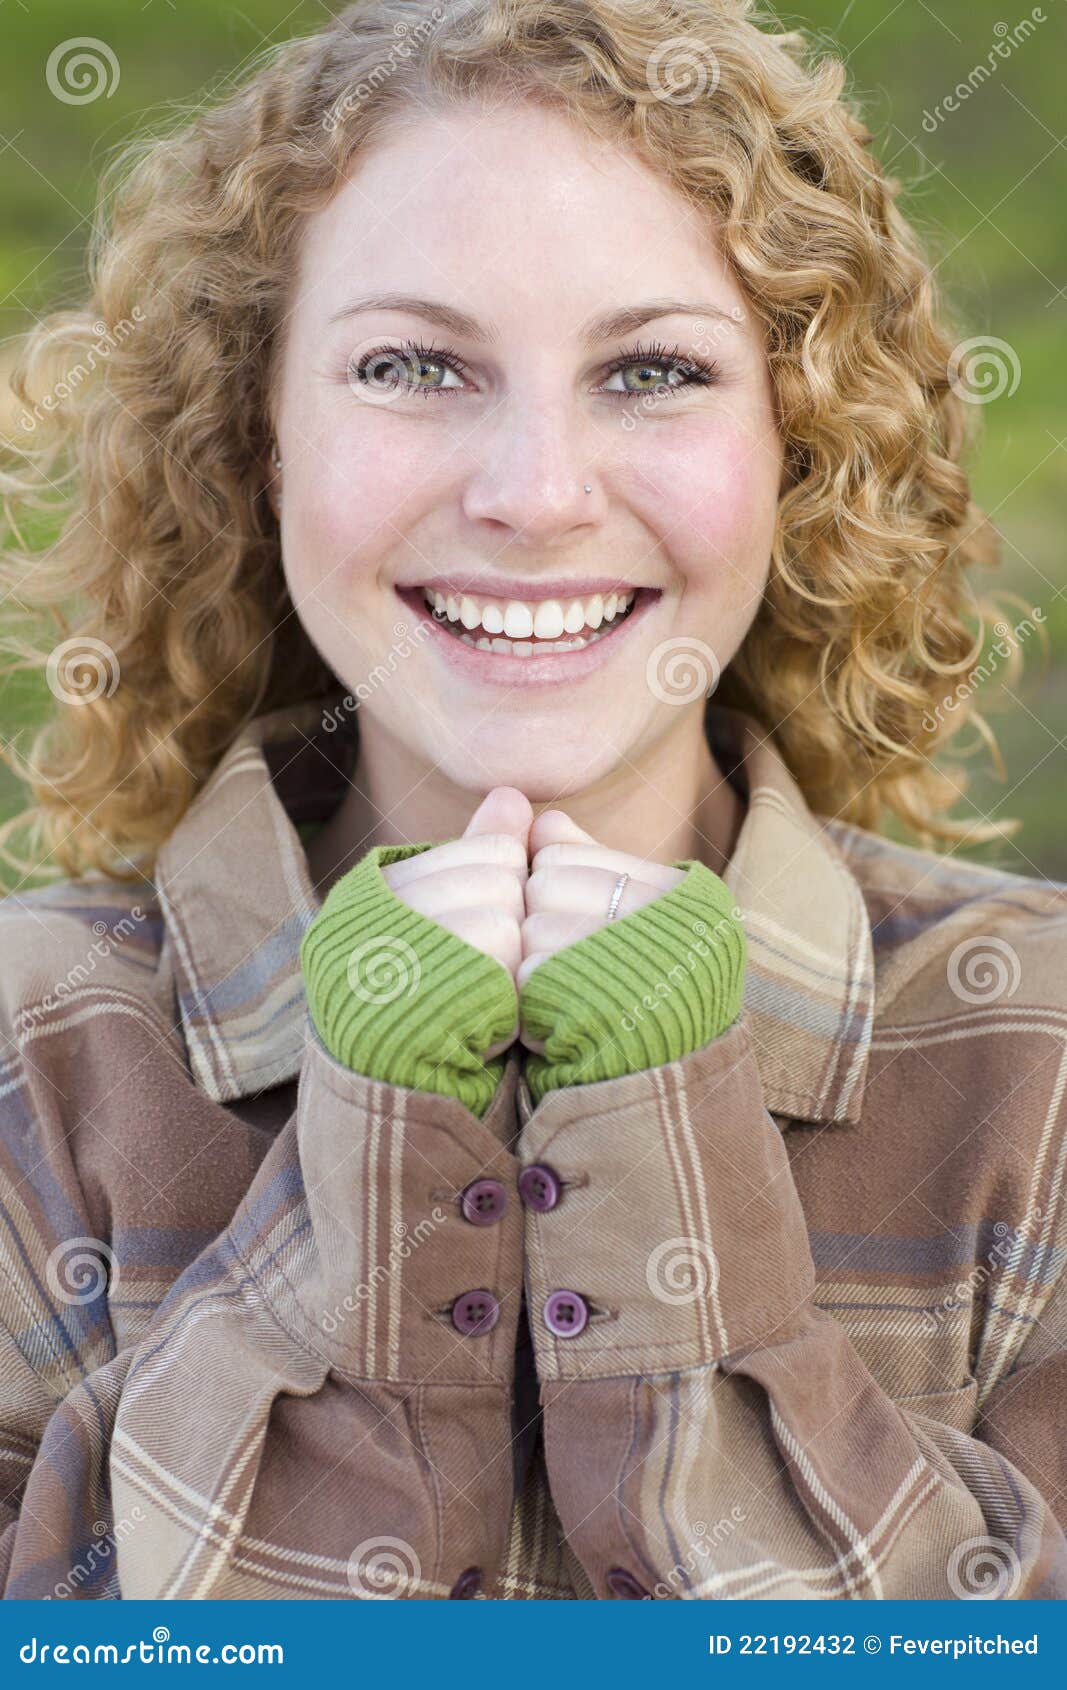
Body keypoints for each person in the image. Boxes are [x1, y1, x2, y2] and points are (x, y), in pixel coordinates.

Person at [0, 0, 1064, 1602]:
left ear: (797, 442)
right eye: (414, 365)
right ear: (260, 435)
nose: (537, 493)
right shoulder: (32, 1056)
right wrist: (365, 1171)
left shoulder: (1036, 1059)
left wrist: (659, 1162)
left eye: (650, 370)